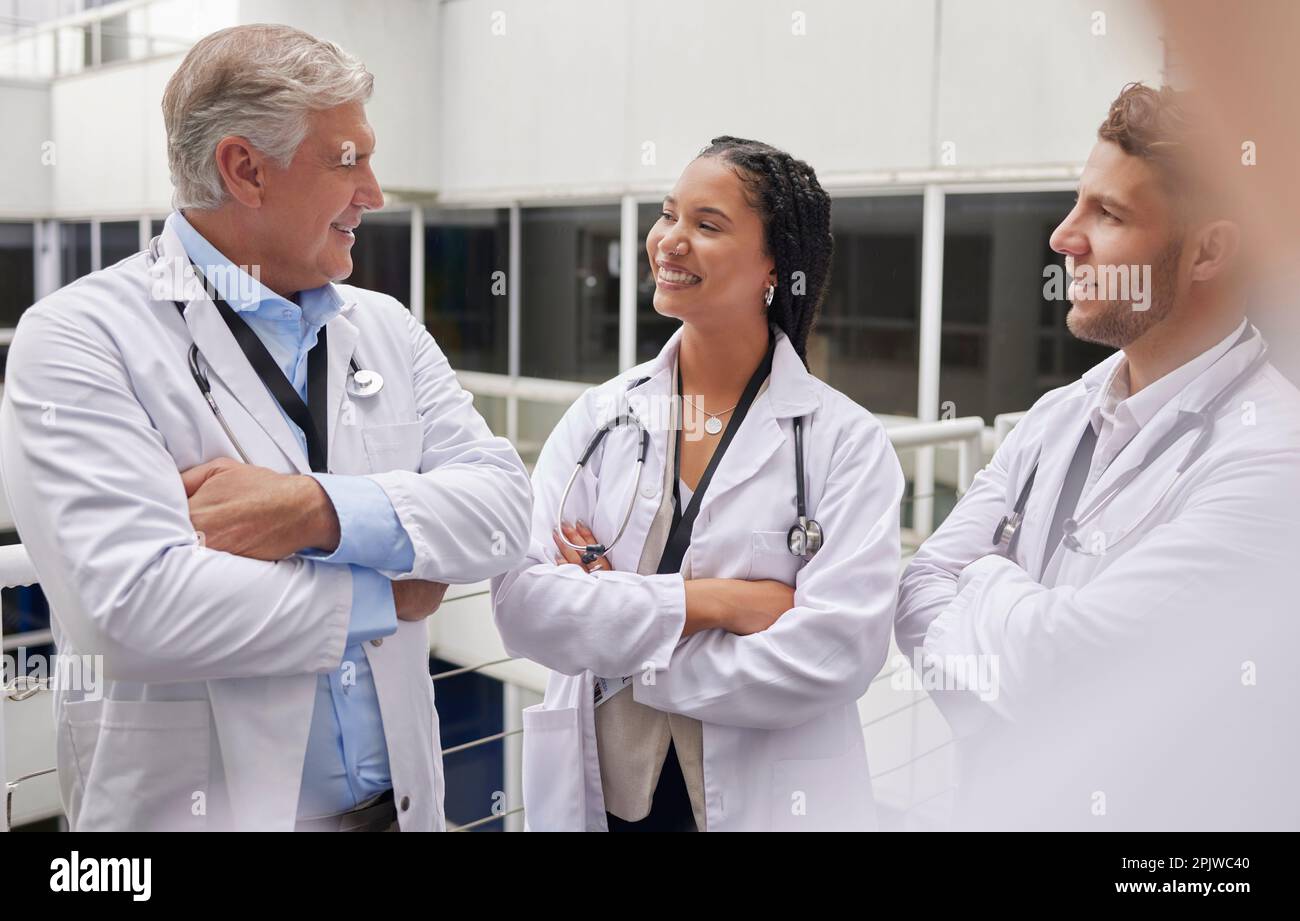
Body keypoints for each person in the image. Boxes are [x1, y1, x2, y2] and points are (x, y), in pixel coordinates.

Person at [0, 24, 532, 831]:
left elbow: (501, 510)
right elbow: (135, 608)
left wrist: (312, 511)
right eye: (347, 160)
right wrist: (389, 588)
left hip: (405, 810)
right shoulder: (79, 337)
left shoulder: (384, 326)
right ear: (245, 169)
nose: (375, 192)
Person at [895, 83, 1300, 830]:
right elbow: (919, 589)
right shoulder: (1059, 414)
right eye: (1077, 202)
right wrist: (1031, 662)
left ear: (1208, 250)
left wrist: (984, 576)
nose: (1062, 237)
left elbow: (1070, 671)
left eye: (1107, 214)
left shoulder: (1273, 457)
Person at [492, 137, 904, 832]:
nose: (670, 242)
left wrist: (627, 654)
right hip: (608, 800)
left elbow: (835, 653)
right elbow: (524, 606)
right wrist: (716, 603)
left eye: (707, 225)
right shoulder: (600, 418)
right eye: (667, 215)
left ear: (774, 264)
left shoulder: (845, 444)